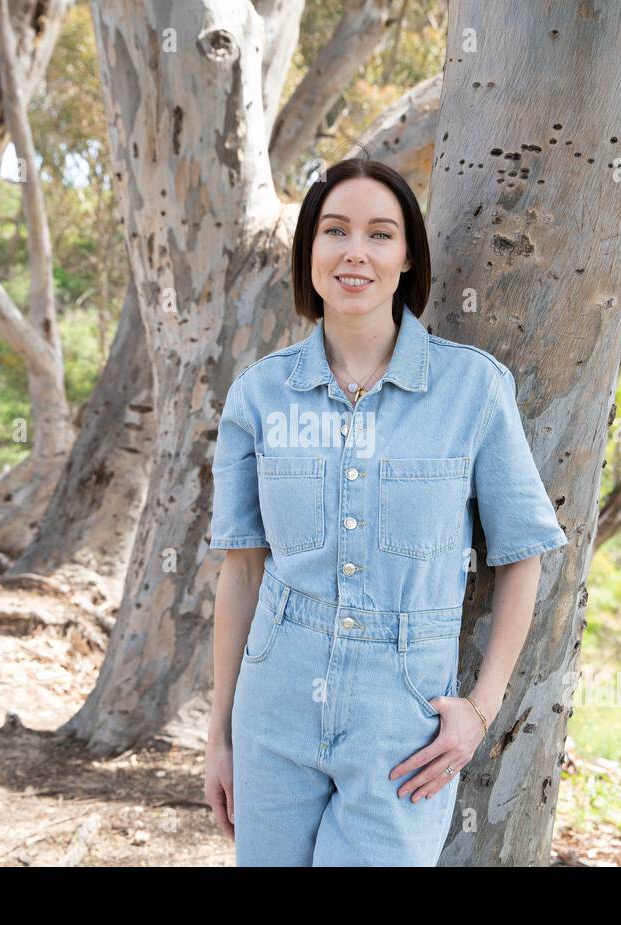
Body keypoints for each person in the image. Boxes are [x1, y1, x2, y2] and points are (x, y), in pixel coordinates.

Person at [203, 156, 568, 866]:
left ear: (407, 258)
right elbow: (242, 574)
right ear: (310, 250)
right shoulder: (259, 396)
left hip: (405, 722)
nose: (355, 252)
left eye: (380, 234)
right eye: (335, 231)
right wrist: (219, 735)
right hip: (274, 702)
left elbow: (524, 555)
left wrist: (482, 709)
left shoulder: (473, 390)